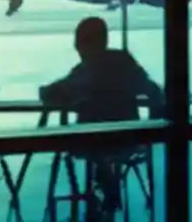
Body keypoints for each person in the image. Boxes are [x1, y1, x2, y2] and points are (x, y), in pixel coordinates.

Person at [40, 16, 163, 219]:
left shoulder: (88, 69)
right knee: (105, 152)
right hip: (128, 142)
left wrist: (45, 92)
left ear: (83, 44)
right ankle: (105, 189)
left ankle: (100, 194)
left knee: (93, 148)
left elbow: (57, 94)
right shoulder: (125, 63)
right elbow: (154, 92)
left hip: (91, 142)